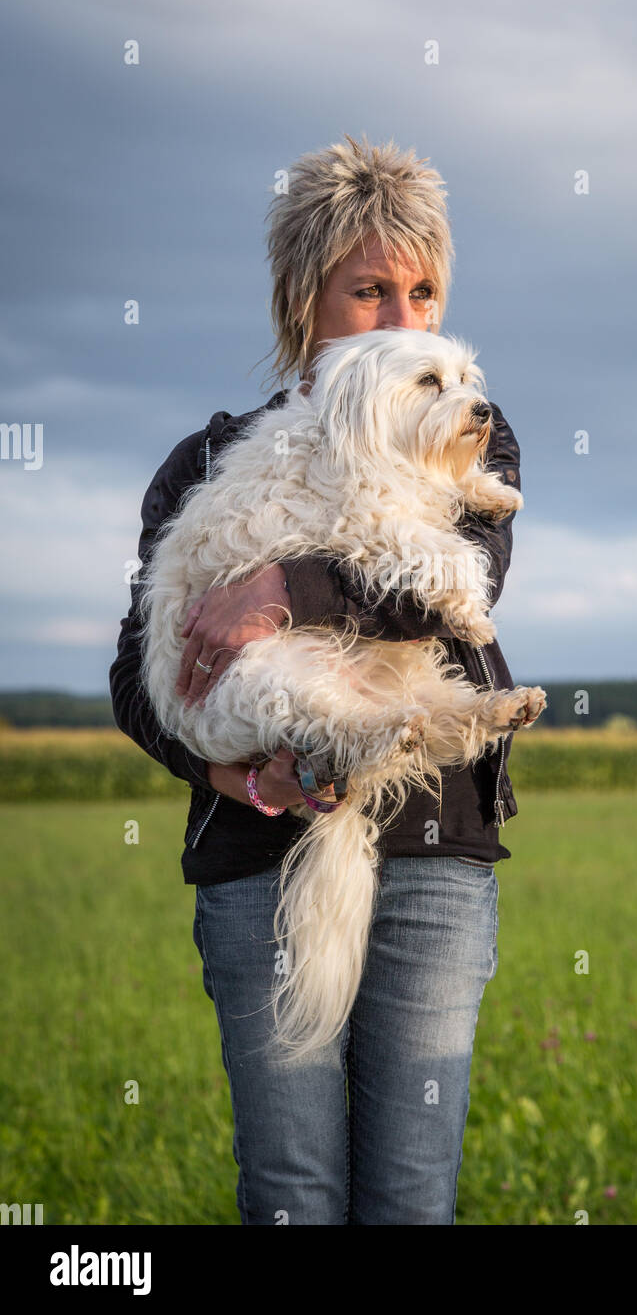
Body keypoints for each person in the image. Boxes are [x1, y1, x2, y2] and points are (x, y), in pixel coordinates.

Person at [109, 135, 524, 1225]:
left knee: (409, 1191)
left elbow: (459, 578)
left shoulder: (462, 426)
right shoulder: (204, 463)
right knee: (292, 1189)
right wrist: (221, 768)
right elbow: (136, 676)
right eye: (369, 290)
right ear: (304, 299)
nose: (404, 320)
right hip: (255, 849)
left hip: (436, 843)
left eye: (422, 290)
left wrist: (283, 583)